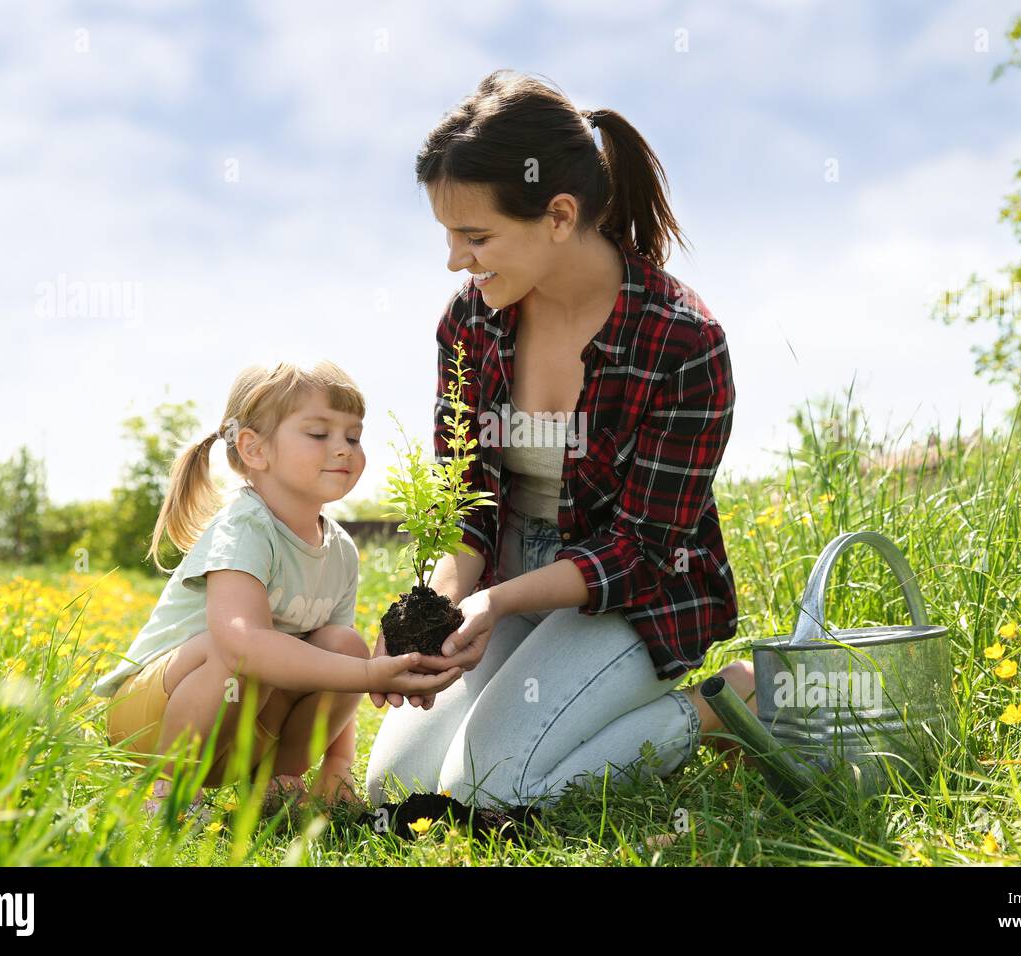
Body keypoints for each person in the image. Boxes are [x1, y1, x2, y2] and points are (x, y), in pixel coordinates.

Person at [365, 70, 757, 813]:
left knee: (489, 791)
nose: (455, 260)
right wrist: (445, 602)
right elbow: (468, 498)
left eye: (476, 237)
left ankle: (713, 709)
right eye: (449, 235)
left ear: (558, 215)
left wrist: (499, 604)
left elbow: (642, 548)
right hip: (509, 578)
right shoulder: (470, 323)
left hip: (631, 594)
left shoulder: (683, 340)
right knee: (396, 790)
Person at [92, 360, 462, 822]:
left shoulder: (341, 550)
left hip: (238, 730)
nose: (344, 449)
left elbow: (337, 666)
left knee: (344, 646)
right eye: (319, 434)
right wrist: (371, 676)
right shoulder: (244, 525)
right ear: (254, 449)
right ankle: (166, 786)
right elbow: (241, 643)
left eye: (353, 436)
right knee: (242, 652)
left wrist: (339, 762)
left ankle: (276, 781)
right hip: (149, 721)